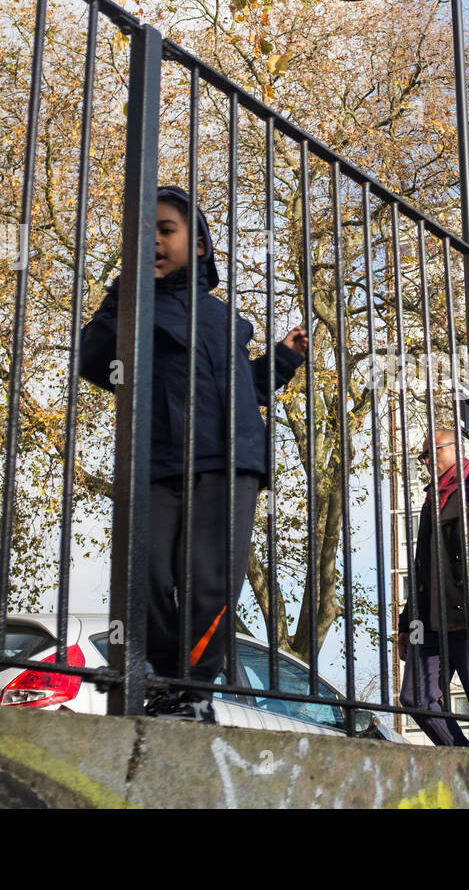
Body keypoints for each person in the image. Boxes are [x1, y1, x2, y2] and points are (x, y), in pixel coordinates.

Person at [79, 185, 307, 718]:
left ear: (198, 244)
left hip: (228, 464)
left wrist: (282, 359)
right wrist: (121, 294)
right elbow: (94, 362)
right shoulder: (130, 306)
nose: (153, 240)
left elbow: (241, 390)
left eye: (165, 229)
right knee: (146, 572)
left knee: (209, 578)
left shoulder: (223, 319)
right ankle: (160, 676)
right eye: (143, 234)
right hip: (155, 461)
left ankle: (193, 690)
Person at [397, 426, 469, 748]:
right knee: (415, 698)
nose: (423, 461)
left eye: (428, 453)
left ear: (453, 448)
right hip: (428, 619)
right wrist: (407, 623)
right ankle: (462, 757)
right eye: (421, 455)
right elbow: (421, 568)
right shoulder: (429, 502)